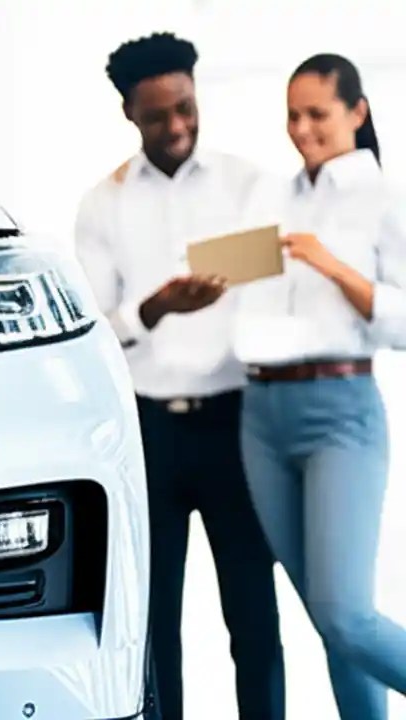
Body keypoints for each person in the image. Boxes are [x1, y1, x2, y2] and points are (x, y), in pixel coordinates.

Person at [74, 32, 285, 720]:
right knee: (153, 618)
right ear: (129, 113)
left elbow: (282, 294)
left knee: (253, 614)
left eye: (186, 108)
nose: (176, 126)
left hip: (236, 424)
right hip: (147, 435)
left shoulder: (247, 185)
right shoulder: (101, 205)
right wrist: (155, 308)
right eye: (158, 115)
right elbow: (96, 332)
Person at [231, 52, 406, 720]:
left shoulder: (383, 197)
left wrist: (331, 264)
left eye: (317, 114)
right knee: (329, 623)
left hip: (340, 412)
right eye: (292, 116)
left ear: (357, 112)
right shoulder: (273, 196)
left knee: (347, 615)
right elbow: (242, 293)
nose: (302, 129)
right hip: (260, 416)